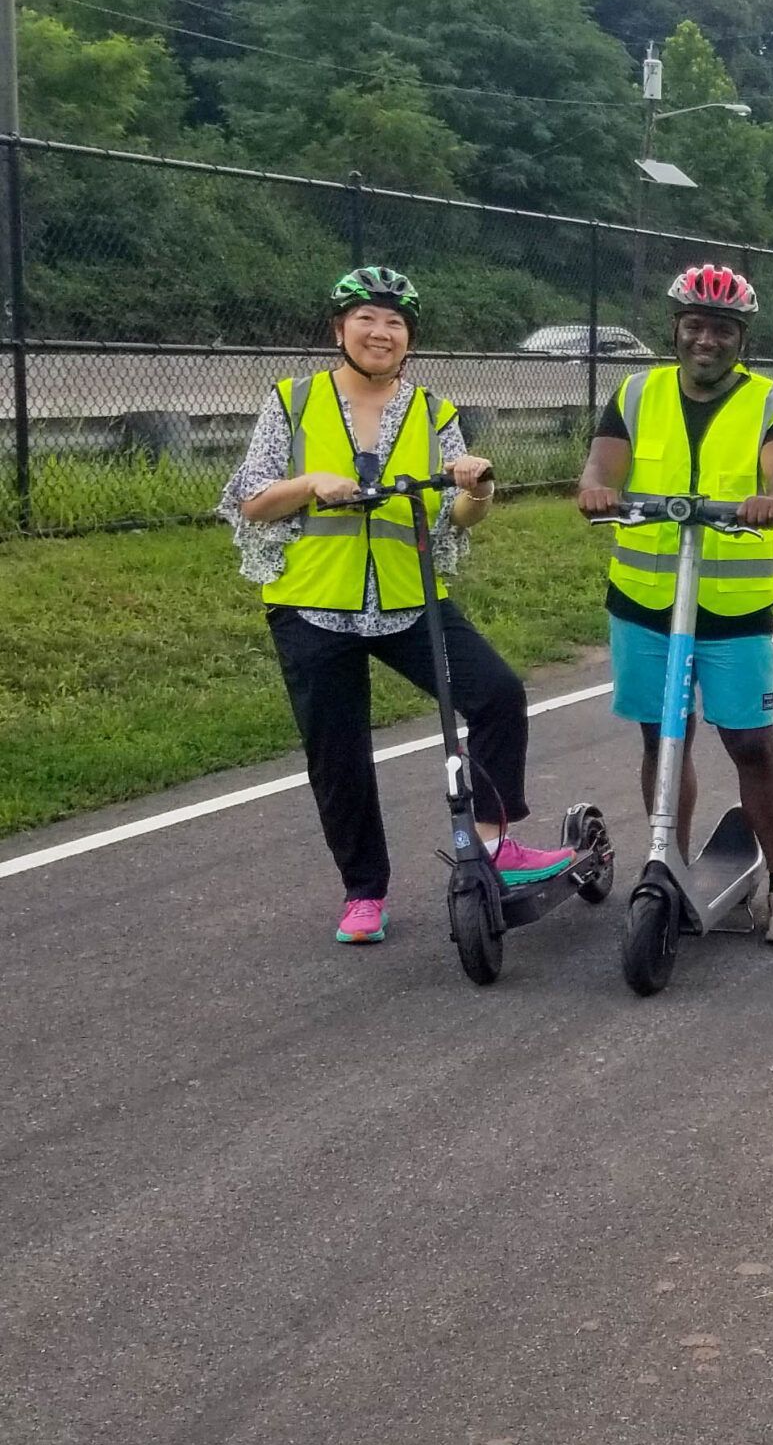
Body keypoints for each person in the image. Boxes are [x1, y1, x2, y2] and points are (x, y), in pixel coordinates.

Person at [220, 267, 576, 945]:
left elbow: (458, 516)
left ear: (409, 338)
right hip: (311, 603)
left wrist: (478, 486)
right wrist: (310, 482)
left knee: (498, 694)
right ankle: (364, 892)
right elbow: (253, 500)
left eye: (395, 323)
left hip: (411, 599)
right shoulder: (293, 402)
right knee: (338, 751)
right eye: (367, 319)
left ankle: (497, 848)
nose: (381, 332)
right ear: (339, 329)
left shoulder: (433, 411)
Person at [576, 264, 773, 945]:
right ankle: (666, 862)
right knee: (664, 736)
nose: (707, 339)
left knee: (749, 743)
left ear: (742, 338)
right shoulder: (636, 391)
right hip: (645, 601)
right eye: (696, 326)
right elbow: (603, 465)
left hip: (733, 608)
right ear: (677, 328)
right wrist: (596, 488)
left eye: (723, 330)